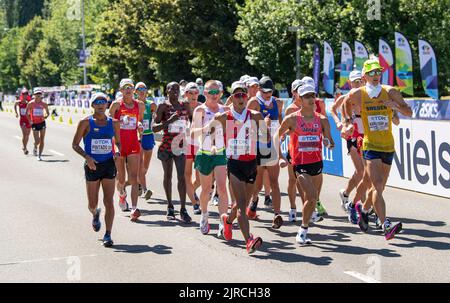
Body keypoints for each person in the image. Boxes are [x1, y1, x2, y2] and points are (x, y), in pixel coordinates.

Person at [341, 59, 412, 240]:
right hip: (370, 145)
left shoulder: (390, 91)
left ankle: (363, 209)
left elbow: (409, 112)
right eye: (371, 73)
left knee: (379, 187)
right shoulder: (358, 93)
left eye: (378, 72)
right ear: (364, 76)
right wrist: (347, 122)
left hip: (388, 145)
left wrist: (395, 106)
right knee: (377, 185)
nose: (375, 76)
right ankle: (385, 225)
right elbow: (344, 103)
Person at [210, 81, 264, 253]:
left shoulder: (255, 115)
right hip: (234, 165)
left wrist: (262, 133)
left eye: (243, 95)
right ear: (232, 98)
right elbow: (210, 133)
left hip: (251, 164)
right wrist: (213, 145)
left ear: (247, 97)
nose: (241, 98)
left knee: (243, 204)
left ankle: (227, 220)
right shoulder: (223, 117)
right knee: (241, 205)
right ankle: (249, 240)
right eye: (237, 95)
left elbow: (266, 137)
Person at [278, 83, 334, 245]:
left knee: (312, 199)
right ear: (300, 99)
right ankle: (302, 231)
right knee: (312, 196)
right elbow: (276, 137)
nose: (311, 99)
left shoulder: (322, 120)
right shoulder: (292, 118)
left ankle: (304, 226)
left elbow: (331, 142)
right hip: (299, 163)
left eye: (313, 96)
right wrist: (281, 157)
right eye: (307, 96)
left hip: (316, 162)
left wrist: (328, 143)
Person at [72, 93, 121, 247]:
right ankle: (95, 213)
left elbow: (118, 142)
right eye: (97, 102)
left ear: (107, 105)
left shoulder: (114, 123)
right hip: (92, 166)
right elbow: (75, 144)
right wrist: (87, 157)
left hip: (108, 165)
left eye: (103, 102)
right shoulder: (85, 122)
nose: (101, 105)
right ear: (92, 105)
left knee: (109, 201)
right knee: (92, 204)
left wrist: (117, 151)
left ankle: (108, 234)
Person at [191, 80, 229, 236]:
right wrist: (210, 125)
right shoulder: (200, 110)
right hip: (205, 153)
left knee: (221, 187)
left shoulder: (225, 109)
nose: (214, 95)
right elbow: (193, 134)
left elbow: (232, 130)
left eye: (217, 92)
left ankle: (223, 221)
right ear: (204, 93)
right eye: (210, 92)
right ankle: (205, 215)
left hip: (220, 153)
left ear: (220, 93)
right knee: (206, 189)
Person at [246, 76, 283, 229]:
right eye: (265, 91)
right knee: (258, 183)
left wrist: (282, 130)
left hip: (272, 145)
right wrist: (263, 125)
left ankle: (277, 214)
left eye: (271, 91)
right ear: (259, 90)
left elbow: (279, 119)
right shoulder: (254, 102)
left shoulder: (277, 103)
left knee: (274, 181)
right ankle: (253, 203)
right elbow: (246, 127)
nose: (268, 94)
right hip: (257, 146)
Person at [331, 70, 368, 221]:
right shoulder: (346, 98)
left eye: (359, 80)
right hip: (352, 135)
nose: (357, 83)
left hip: (365, 135)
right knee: (360, 171)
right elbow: (332, 109)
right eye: (354, 81)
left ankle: (346, 194)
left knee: (364, 173)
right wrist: (339, 123)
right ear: (350, 83)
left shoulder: (366, 96)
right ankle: (361, 205)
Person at [153, 82, 192, 223]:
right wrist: (168, 121)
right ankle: (170, 206)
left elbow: (193, 122)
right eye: (171, 88)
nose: (175, 91)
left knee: (182, 177)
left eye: (177, 89)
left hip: (180, 146)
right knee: (167, 176)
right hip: (166, 147)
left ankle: (183, 209)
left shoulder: (185, 105)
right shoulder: (163, 106)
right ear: (167, 91)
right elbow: (154, 128)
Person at [108, 79, 145, 221]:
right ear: (121, 90)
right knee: (122, 178)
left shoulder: (139, 105)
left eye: (130, 87)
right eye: (125, 87)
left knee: (134, 178)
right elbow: (109, 122)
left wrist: (140, 126)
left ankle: (134, 208)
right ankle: (122, 195)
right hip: (119, 144)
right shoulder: (116, 105)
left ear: (133, 90)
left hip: (133, 144)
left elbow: (138, 120)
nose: (128, 90)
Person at [136, 82, 156, 201]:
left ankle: (139, 183)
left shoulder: (151, 104)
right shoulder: (134, 104)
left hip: (149, 136)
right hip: (138, 136)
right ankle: (145, 189)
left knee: (146, 166)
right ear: (136, 91)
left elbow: (155, 117)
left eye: (144, 88)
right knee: (140, 164)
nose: (142, 90)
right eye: (139, 89)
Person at [184, 82, 202, 215]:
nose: (193, 95)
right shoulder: (180, 107)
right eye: (190, 93)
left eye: (196, 93)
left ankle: (191, 190)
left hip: (199, 145)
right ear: (186, 94)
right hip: (184, 144)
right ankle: (195, 204)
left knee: (200, 178)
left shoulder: (202, 108)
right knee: (187, 174)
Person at [27, 88, 50, 161]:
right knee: (37, 141)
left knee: (42, 140)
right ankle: (35, 146)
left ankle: (39, 155)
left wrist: (46, 115)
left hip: (42, 122)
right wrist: (30, 120)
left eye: (39, 94)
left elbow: (47, 113)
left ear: (41, 95)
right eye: (37, 94)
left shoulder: (44, 104)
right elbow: (26, 113)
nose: (38, 95)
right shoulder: (31, 103)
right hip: (34, 123)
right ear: (34, 95)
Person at [14, 88, 32, 155]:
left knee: (27, 135)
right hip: (22, 120)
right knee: (24, 134)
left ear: (28, 95)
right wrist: (16, 113)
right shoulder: (19, 102)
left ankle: (24, 146)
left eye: (26, 94)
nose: (25, 95)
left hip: (29, 120)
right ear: (22, 94)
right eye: (23, 94)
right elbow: (15, 105)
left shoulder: (29, 102)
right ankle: (25, 148)